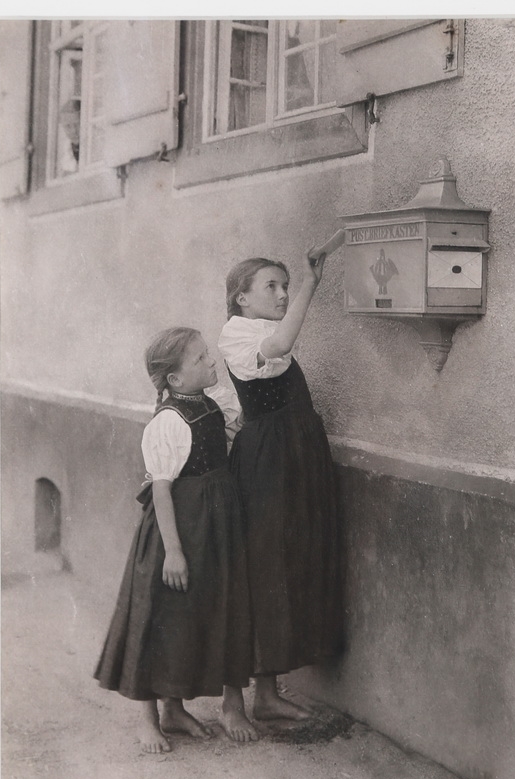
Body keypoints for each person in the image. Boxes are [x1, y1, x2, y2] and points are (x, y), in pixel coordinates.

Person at [94, 327, 258, 752]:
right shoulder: (168, 421)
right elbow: (162, 489)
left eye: (208, 356)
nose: (212, 363)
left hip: (217, 525)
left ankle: (183, 708)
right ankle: (148, 718)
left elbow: (225, 436)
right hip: (178, 531)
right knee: (161, 617)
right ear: (175, 380)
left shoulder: (209, 403)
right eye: (202, 360)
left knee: (216, 607)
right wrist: (174, 553)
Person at [218, 253, 343, 721]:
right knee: (261, 567)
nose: (283, 294)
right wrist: (312, 284)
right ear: (241, 298)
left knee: (287, 563)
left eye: (286, 286)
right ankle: (235, 699)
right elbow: (282, 341)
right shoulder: (238, 333)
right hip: (268, 459)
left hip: (296, 455)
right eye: (272, 286)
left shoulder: (260, 333)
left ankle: (267, 694)